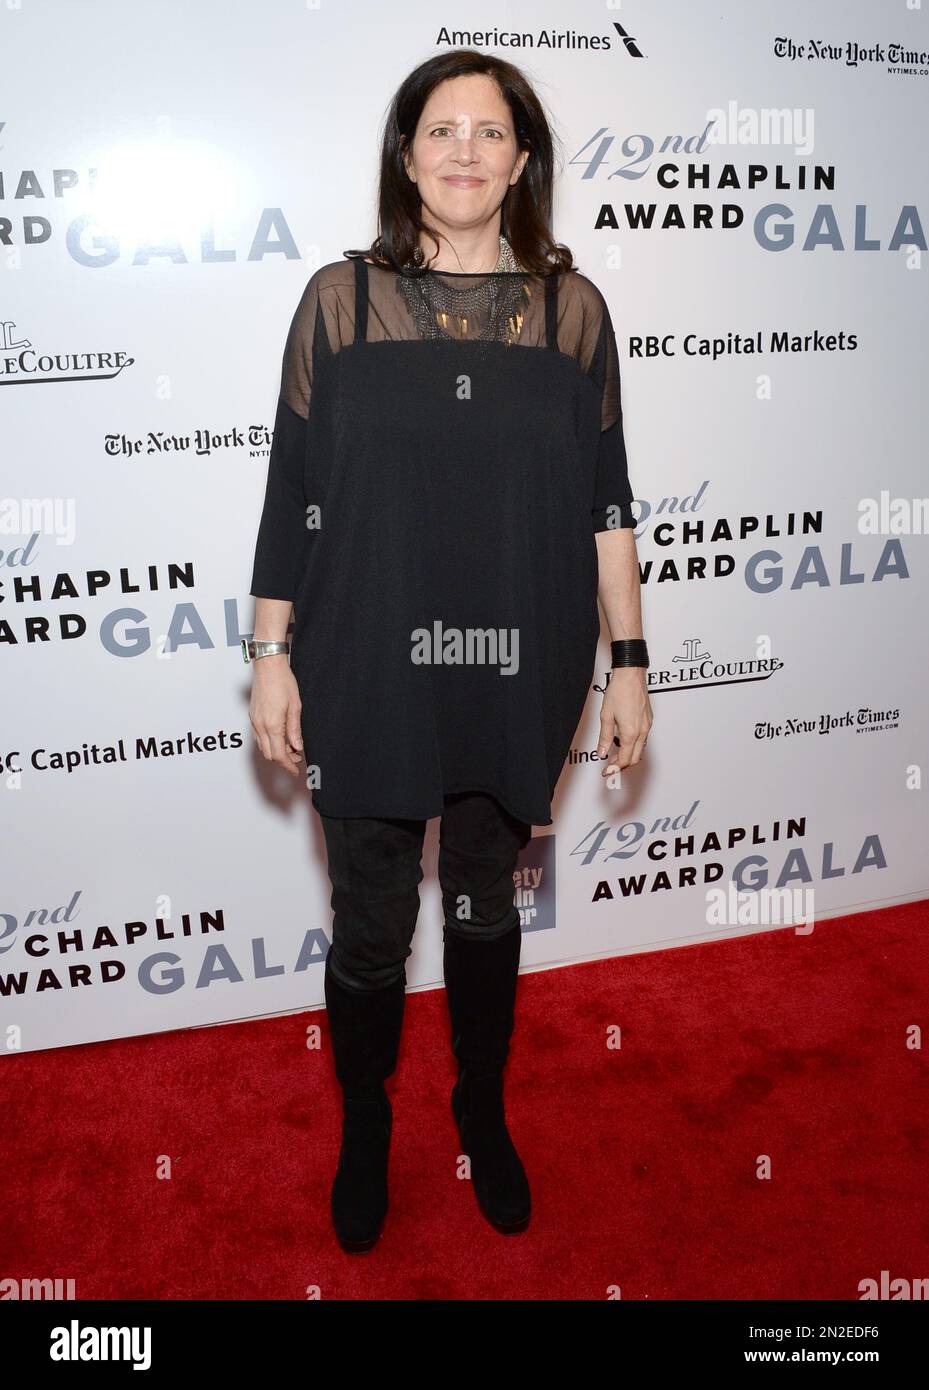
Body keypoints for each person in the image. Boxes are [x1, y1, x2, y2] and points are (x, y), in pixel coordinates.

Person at [245, 49, 653, 1253]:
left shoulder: (571, 314)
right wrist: (269, 653)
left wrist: (627, 659)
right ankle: (365, 1119)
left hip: (519, 660)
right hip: (365, 655)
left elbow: (608, 505)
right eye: (440, 129)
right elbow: (287, 493)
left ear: (521, 160)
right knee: (370, 919)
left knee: (484, 903)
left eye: (489, 131)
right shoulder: (340, 301)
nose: (464, 150)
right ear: (406, 155)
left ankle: (478, 1099)